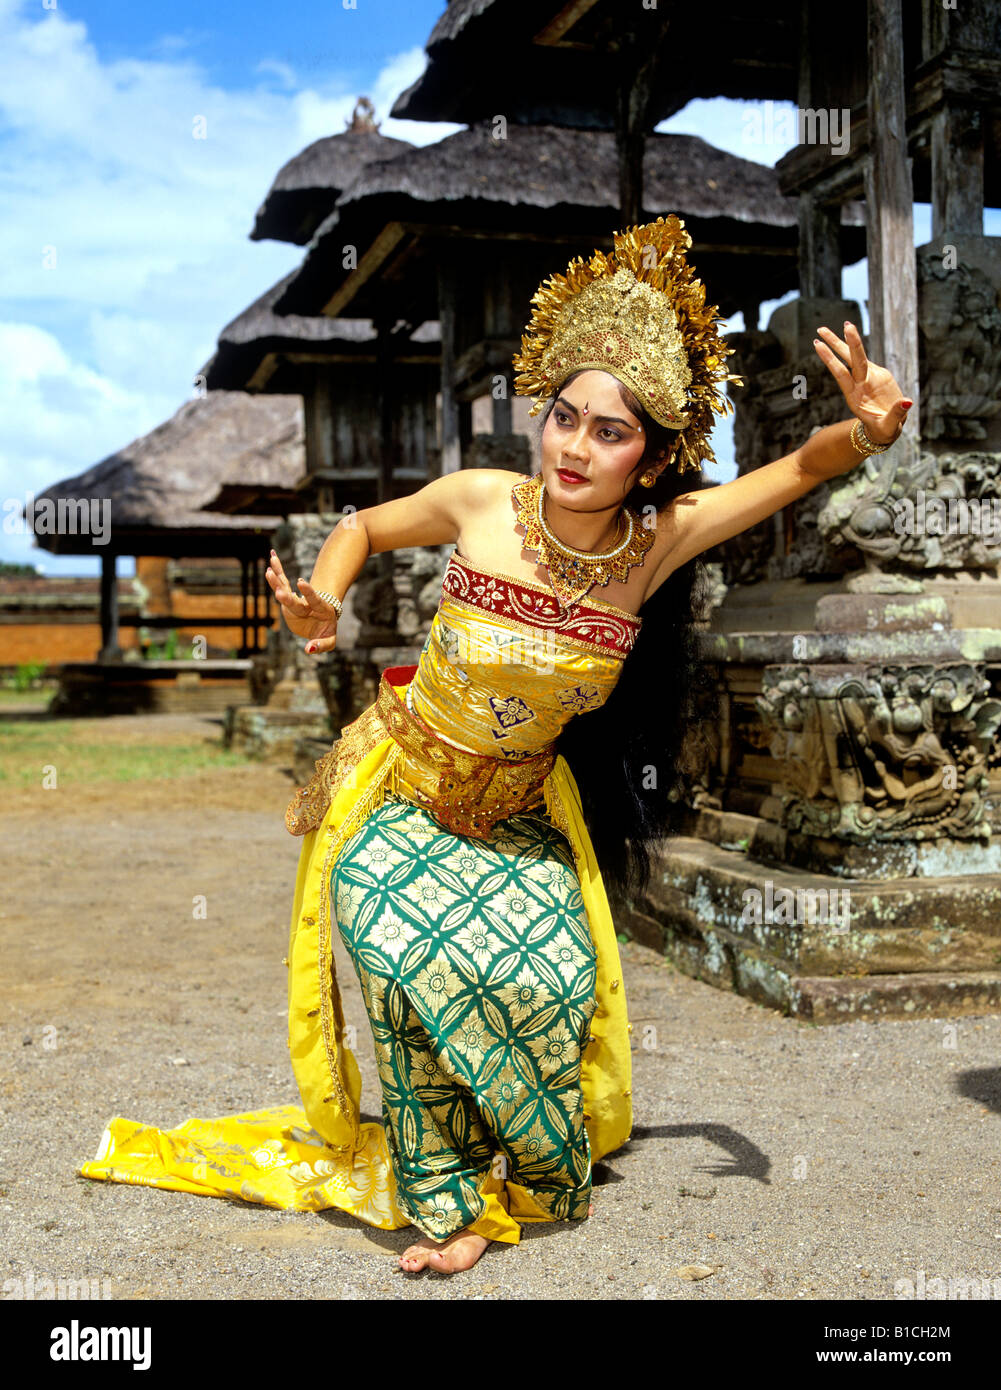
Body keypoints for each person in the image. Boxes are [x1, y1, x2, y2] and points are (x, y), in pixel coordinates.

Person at [79, 216, 911, 1275]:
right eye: (563, 416)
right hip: (403, 789)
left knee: (546, 986)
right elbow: (365, 529)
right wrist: (320, 604)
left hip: (523, 816)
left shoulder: (652, 546)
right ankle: (444, 1205)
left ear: (651, 453)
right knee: (406, 957)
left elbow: (795, 466)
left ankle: (501, 1173)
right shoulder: (481, 504)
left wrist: (870, 433)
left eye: (607, 433)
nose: (571, 446)